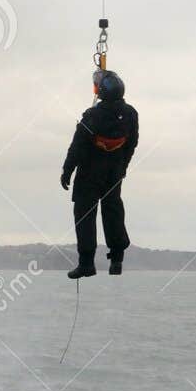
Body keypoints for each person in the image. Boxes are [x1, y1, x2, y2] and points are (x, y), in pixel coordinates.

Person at [60, 69, 138, 277]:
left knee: (84, 213)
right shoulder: (131, 114)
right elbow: (132, 143)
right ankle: (117, 260)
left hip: (90, 173)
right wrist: (122, 166)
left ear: (101, 91)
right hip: (114, 172)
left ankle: (86, 264)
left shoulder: (92, 116)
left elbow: (77, 146)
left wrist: (67, 170)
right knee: (113, 210)